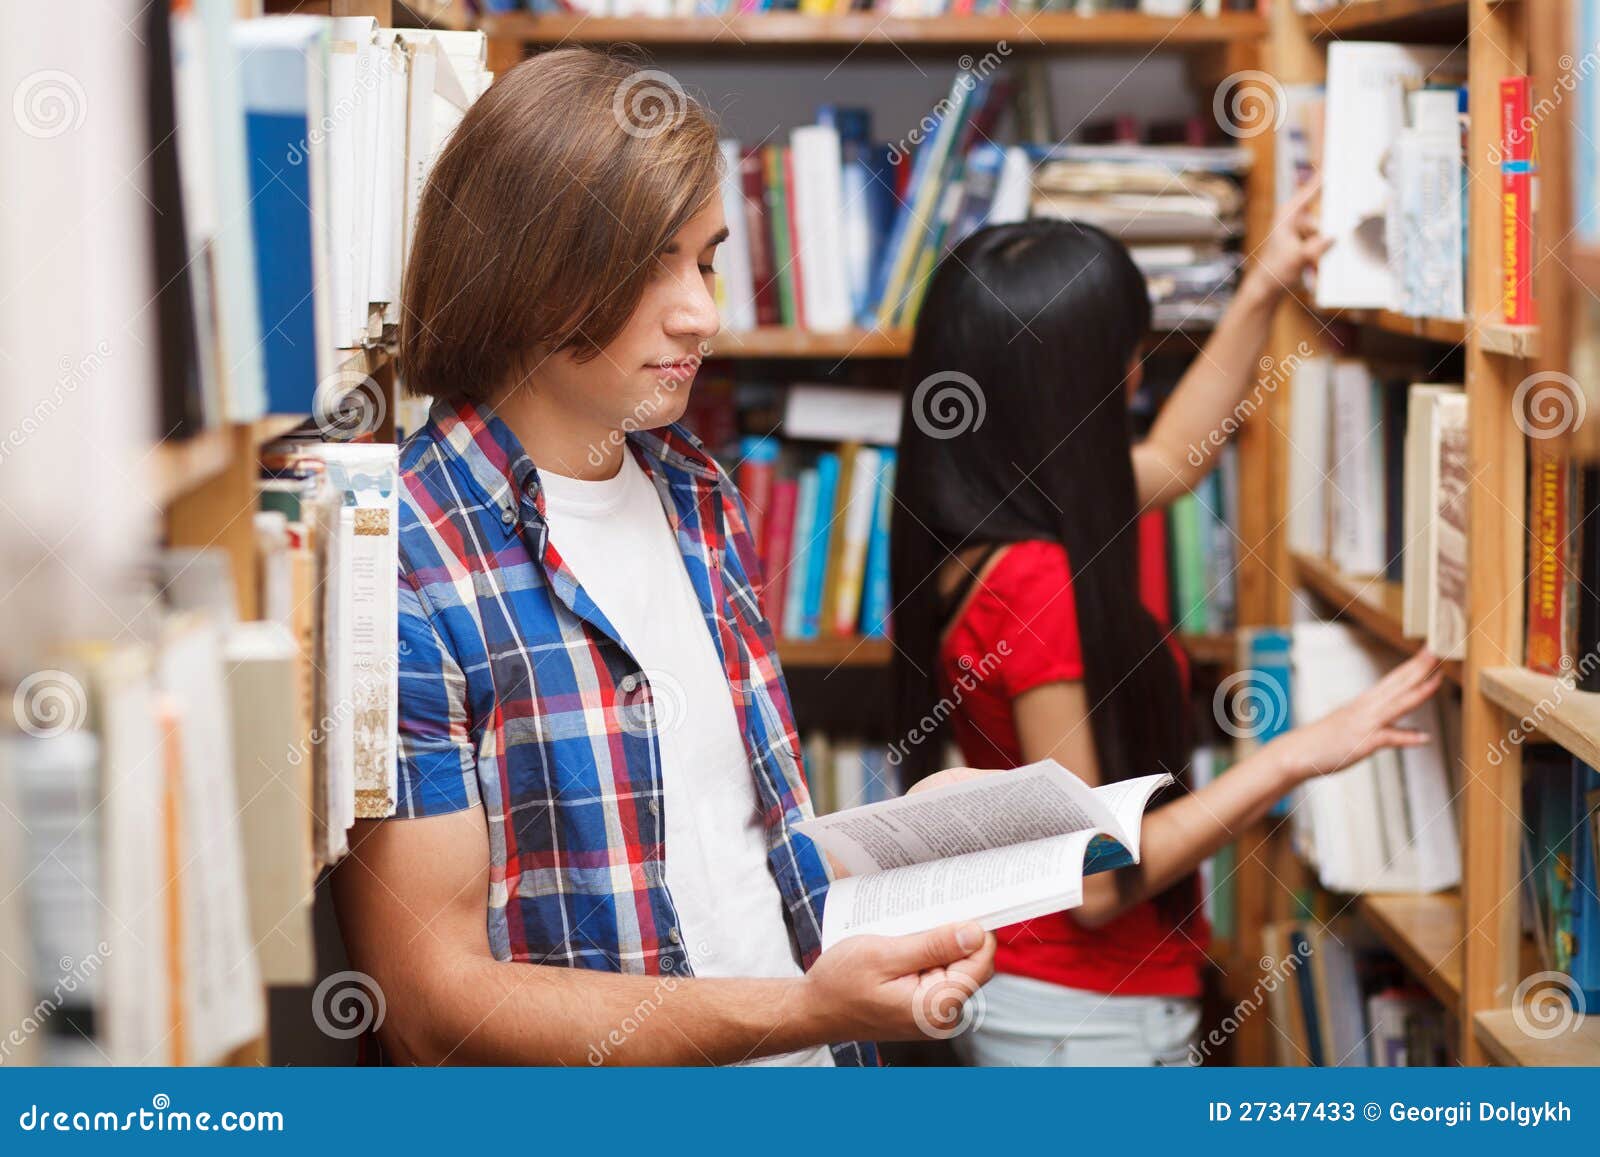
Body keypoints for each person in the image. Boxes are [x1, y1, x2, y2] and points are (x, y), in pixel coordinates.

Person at [331, 48, 996, 1067]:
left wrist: (896, 846)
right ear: (525, 268)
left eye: (707, 257)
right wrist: (806, 1012)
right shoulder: (403, 557)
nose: (702, 313)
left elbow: (721, 846)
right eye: (653, 264)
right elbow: (432, 1001)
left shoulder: (697, 491)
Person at [888, 185, 1444, 1066]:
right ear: (1077, 382)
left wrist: (1261, 288)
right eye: (1126, 352)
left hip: (1046, 999)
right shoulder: (1036, 583)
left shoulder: (980, 521)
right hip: (1082, 1019)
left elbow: (1178, 460)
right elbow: (1098, 881)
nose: (1138, 372)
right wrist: (1298, 752)